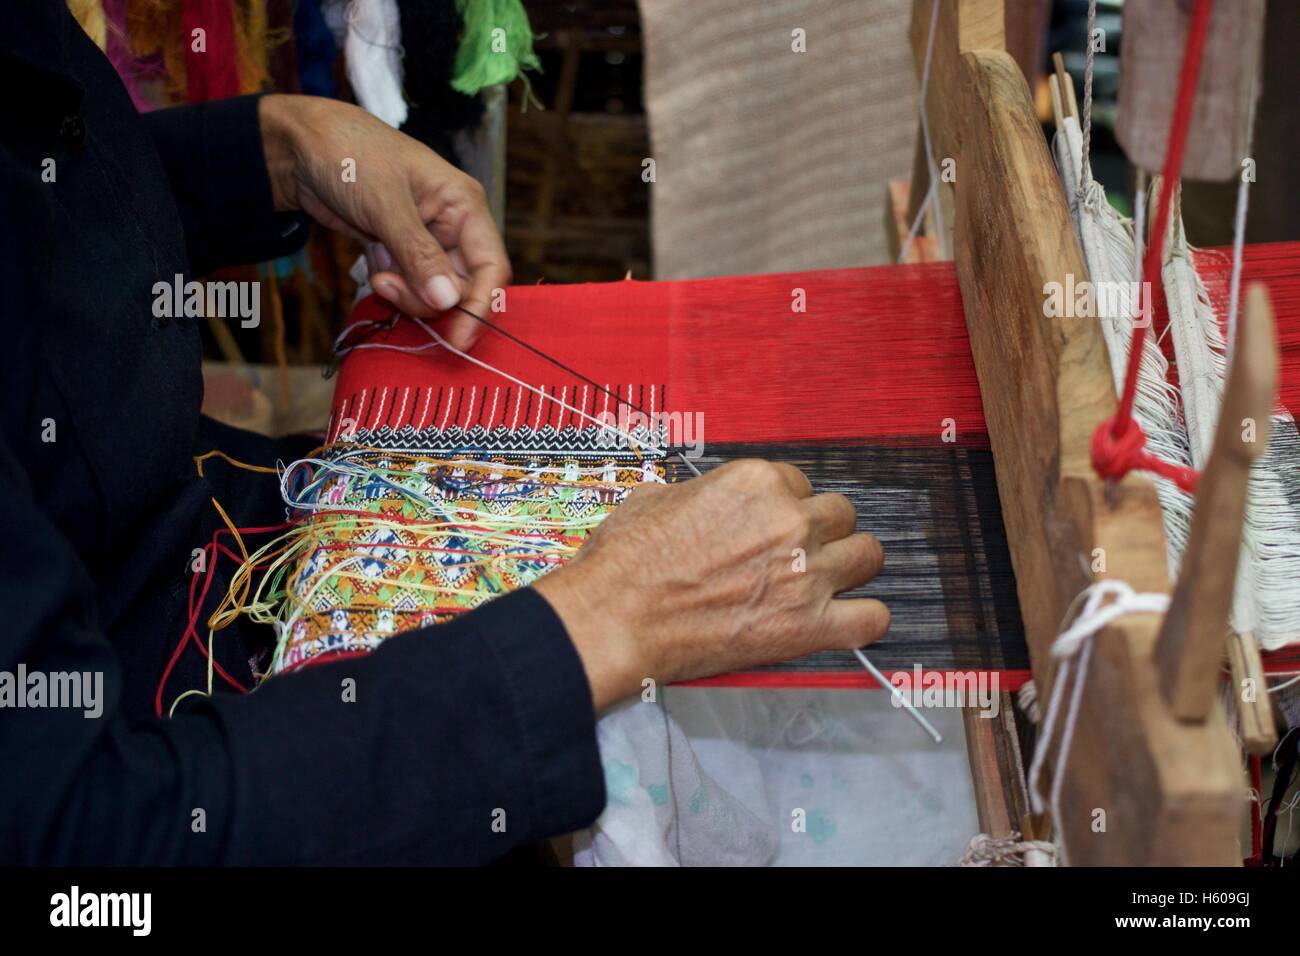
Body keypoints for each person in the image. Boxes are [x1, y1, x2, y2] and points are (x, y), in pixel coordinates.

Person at [0, 3, 888, 864]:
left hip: (195, 534)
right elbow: (83, 838)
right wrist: (598, 628)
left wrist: (270, 150)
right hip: (174, 732)